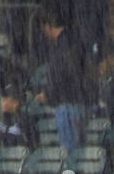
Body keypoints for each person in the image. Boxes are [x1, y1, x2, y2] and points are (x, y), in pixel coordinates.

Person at [35, 8, 92, 150]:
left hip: (67, 105)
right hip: (81, 103)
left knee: (70, 154)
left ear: (47, 26)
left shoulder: (61, 47)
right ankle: (77, 173)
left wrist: (48, 94)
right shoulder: (76, 41)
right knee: (80, 153)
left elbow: (61, 74)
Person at [0, 81, 35, 149]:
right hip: (5, 157)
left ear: (15, 103)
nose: (2, 103)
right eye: (2, 100)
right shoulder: (0, 118)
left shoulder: (25, 119)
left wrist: (5, 132)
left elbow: (26, 142)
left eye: (5, 100)